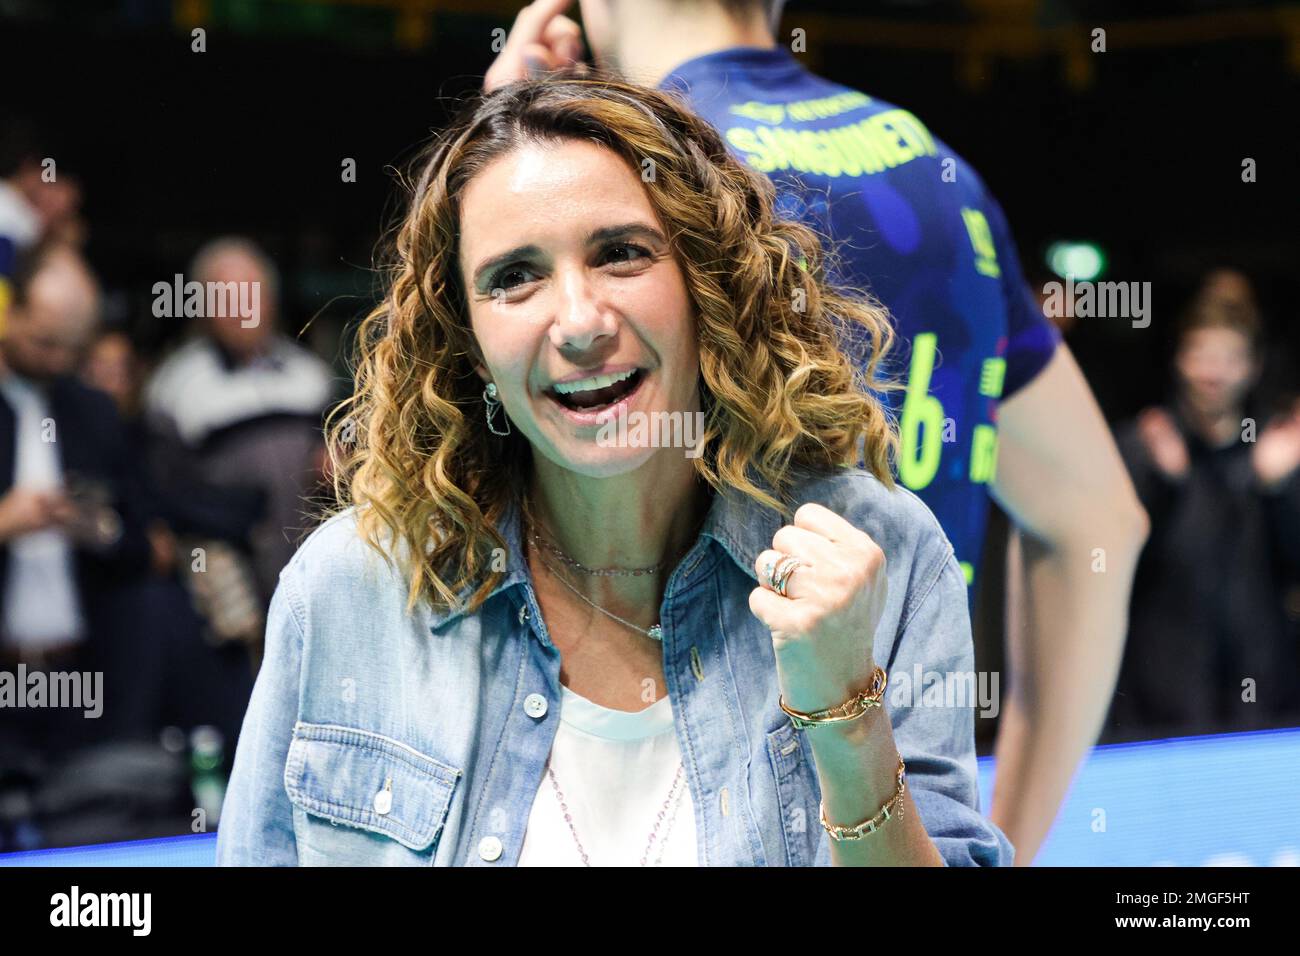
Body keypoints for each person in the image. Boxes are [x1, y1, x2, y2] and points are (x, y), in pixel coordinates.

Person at [216, 78, 1012, 866]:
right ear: (473, 348)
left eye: (621, 254)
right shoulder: (348, 589)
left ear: (705, 283)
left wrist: (847, 718)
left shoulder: (882, 557)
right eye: (514, 277)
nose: (580, 323)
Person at [482, 0, 1150, 865]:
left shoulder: (645, 180)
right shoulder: (936, 170)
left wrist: (511, 144)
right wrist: (1000, 845)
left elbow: (454, 456)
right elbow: (1101, 522)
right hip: (906, 806)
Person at [1110, 295, 1300, 738]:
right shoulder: (1142, 448)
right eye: (1201, 354)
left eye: (1229, 358)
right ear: (1178, 359)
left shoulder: (1278, 453)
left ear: (1253, 366)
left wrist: (1279, 491)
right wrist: (1159, 488)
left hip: (1263, 703)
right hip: (1156, 706)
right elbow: (1105, 569)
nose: (1213, 372)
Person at [0, 243, 152, 753]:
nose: (59, 360)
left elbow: (144, 541)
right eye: (45, 343)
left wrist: (96, 528)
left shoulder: (94, 412)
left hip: (82, 675)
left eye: (72, 348)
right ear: (11, 311)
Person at [142, 238, 335, 624]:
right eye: (227, 298)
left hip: (309, 557)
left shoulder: (310, 374)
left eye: (253, 295)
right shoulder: (175, 385)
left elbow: (337, 454)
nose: (243, 310)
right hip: (224, 570)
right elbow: (161, 491)